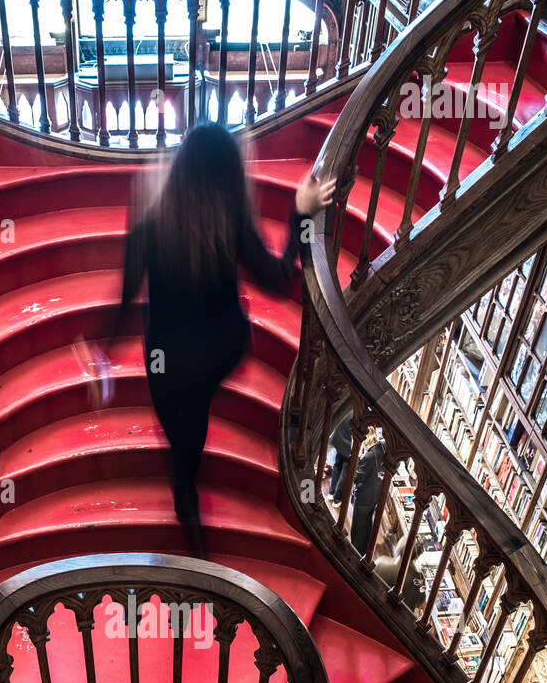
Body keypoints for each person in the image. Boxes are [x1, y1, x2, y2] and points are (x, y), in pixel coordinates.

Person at [95, 124, 336, 557]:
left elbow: (128, 293)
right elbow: (279, 277)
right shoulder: (232, 222)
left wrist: (102, 350)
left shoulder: (150, 224)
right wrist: (300, 214)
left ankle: (185, 496)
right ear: (227, 175)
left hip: (165, 359)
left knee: (180, 433)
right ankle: (186, 487)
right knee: (196, 420)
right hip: (214, 353)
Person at [350, 428, 385, 556]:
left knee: (358, 527)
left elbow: (356, 477)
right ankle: (364, 550)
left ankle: (356, 552)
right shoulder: (381, 449)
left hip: (364, 497)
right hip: (375, 495)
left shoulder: (368, 456)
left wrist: (358, 455)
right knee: (367, 524)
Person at [329, 417, 353, 505]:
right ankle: (337, 499)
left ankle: (331, 492)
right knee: (345, 474)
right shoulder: (360, 414)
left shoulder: (349, 408)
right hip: (349, 448)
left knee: (337, 466)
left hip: (339, 442)